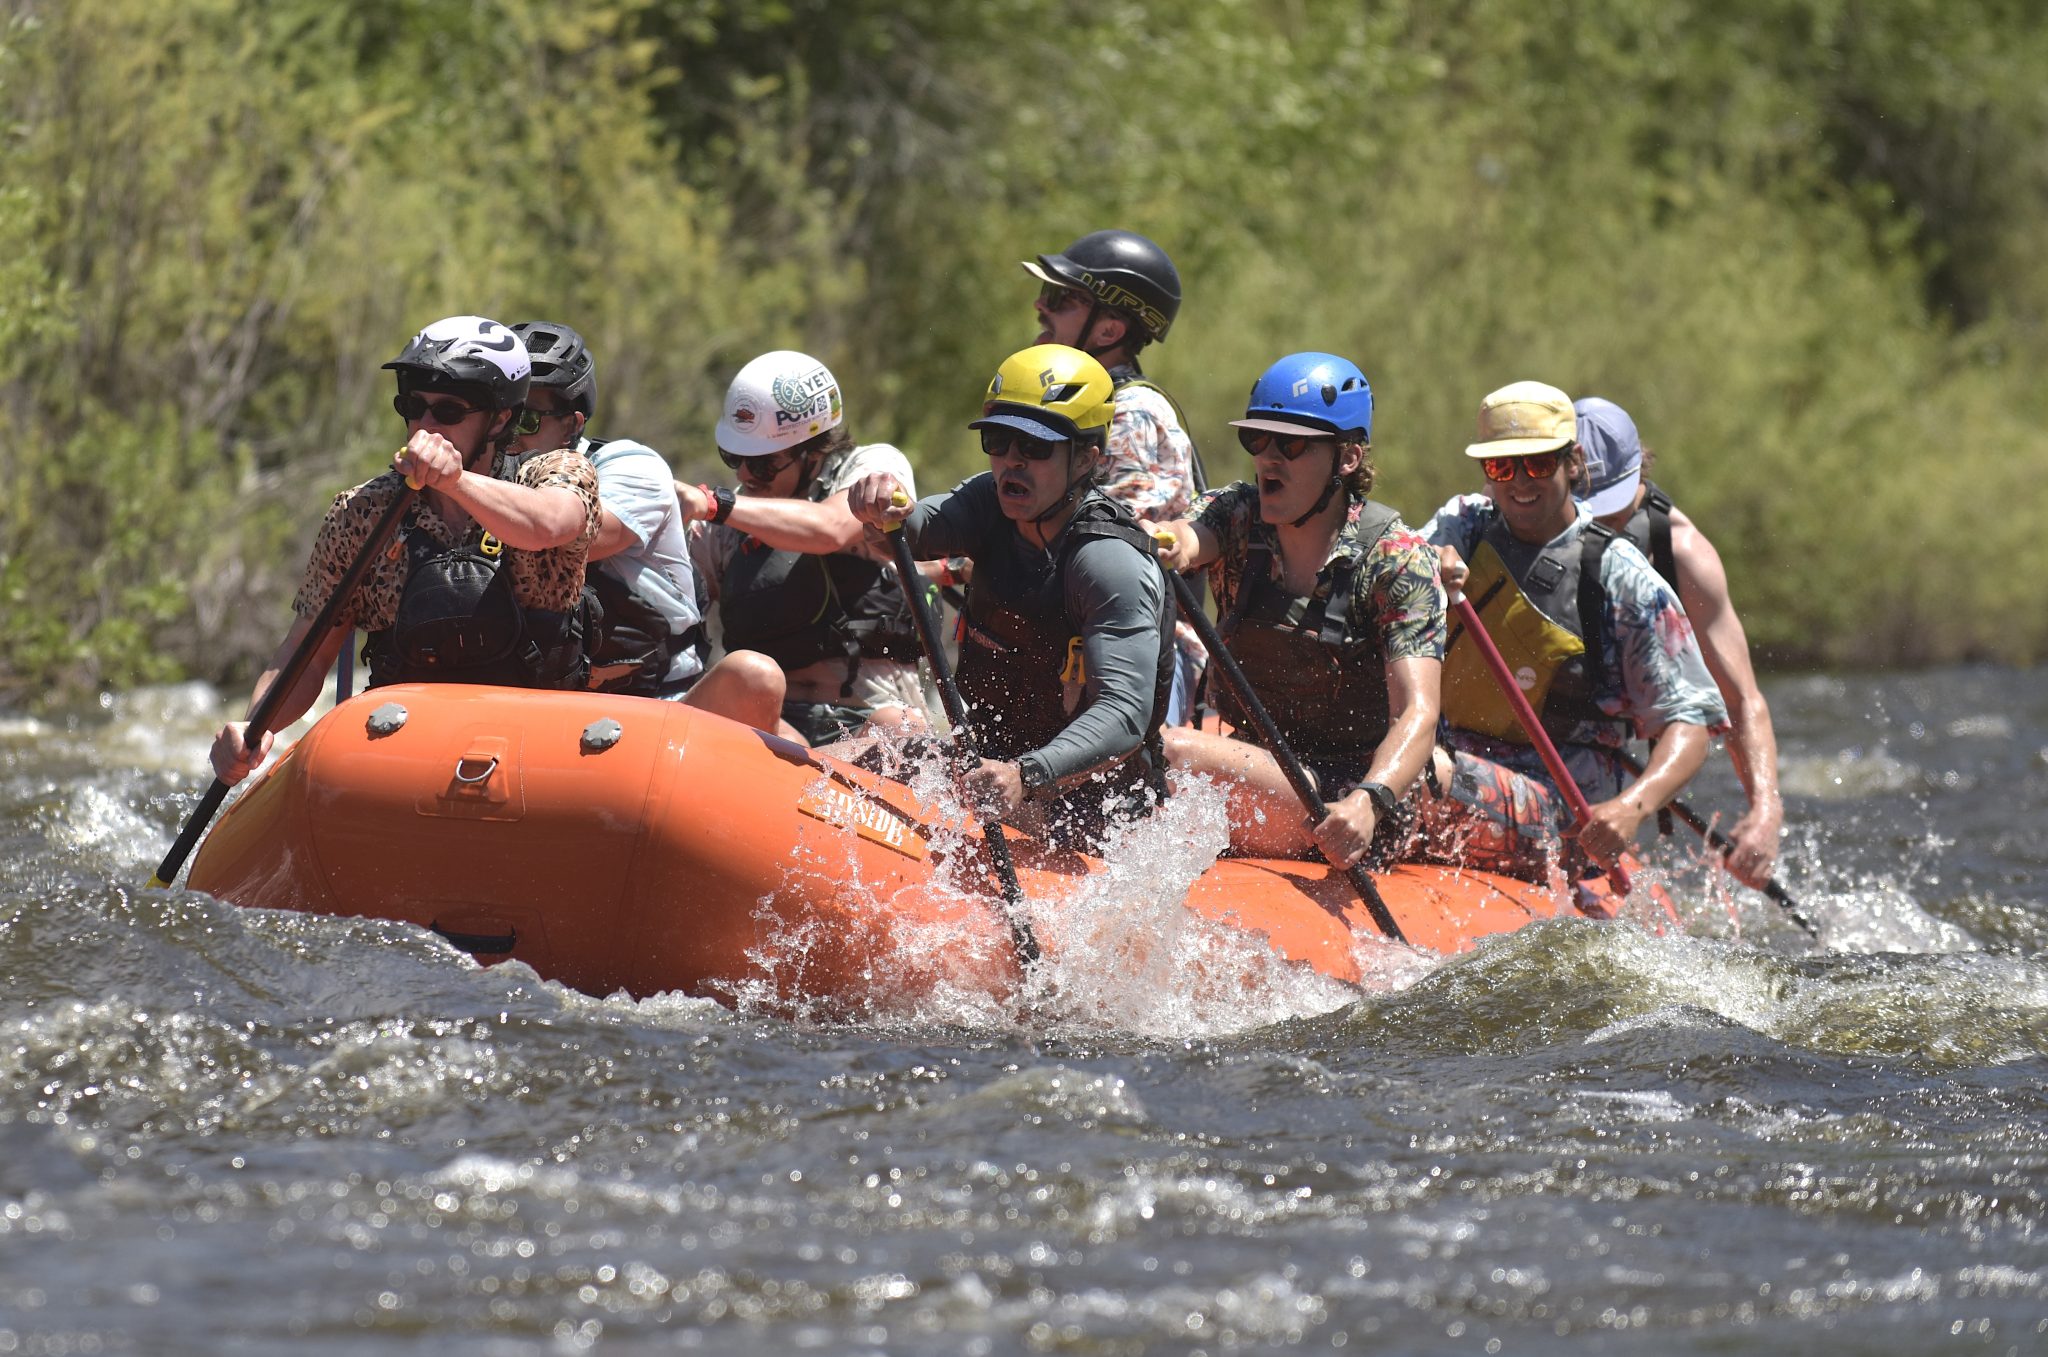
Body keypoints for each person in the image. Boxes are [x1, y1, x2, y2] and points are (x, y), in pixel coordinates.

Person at [209, 315, 599, 784]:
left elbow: (549, 523)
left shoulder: (555, 472)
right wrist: (256, 727)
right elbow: (307, 652)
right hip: (408, 756)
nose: (425, 426)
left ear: (500, 419)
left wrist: (454, 481)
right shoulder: (363, 513)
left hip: (537, 751)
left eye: (449, 411)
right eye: (414, 406)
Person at [845, 344, 1174, 852]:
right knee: (878, 733)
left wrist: (1027, 774)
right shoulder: (990, 503)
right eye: (999, 441)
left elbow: (1124, 713)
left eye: (1037, 448)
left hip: (1085, 807)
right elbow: (917, 527)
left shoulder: (1109, 562)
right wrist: (881, 503)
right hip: (988, 768)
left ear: (1087, 458)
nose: (1012, 462)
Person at [1416, 381, 1728, 884]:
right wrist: (1427, 564)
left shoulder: (1621, 576)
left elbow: (1689, 722)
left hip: (1561, 807)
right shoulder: (1465, 525)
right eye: (1501, 466)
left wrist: (1632, 807)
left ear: (1573, 462)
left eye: (1538, 464)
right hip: (1447, 753)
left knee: (1418, 773)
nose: (1519, 482)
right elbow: (1402, 560)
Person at [1152, 353, 1445, 869]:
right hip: (1265, 766)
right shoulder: (1237, 514)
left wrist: (1368, 801)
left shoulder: (1397, 560)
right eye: (1256, 440)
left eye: (1290, 445)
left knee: (1174, 750)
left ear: (1348, 458)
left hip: (1356, 798)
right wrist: (1169, 544)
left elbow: (1417, 712)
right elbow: (1189, 536)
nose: (1268, 459)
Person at [507, 320, 787, 733]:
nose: (510, 436)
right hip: (538, 713)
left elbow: (568, 535)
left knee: (752, 674)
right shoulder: (482, 482)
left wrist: (457, 486)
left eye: (527, 420)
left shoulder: (630, 466)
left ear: (571, 424)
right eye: (501, 417)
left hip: (658, 706)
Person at [1573, 396, 1784, 889]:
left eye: (1608, 506)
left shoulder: (1683, 554)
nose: (1595, 524)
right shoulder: (1535, 521)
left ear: (1636, 476)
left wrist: (1765, 812)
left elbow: (1741, 701)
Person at [676, 351, 924, 745]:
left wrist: (714, 505)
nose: (742, 474)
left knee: (899, 727)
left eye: (762, 463)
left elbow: (830, 529)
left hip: (867, 718)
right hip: (769, 722)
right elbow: (673, 617)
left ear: (813, 449)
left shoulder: (871, 469)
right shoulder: (721, 532)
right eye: (734, 458)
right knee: (753, 685)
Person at [1024, 229, 1208, 720]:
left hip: (1129, 667)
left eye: (1062, 298)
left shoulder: (1129, 415)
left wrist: (955, 563)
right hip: (1081, 653)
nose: (1042, 305)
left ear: (1108, 331)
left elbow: (1104, 551)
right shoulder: (1090, 411)